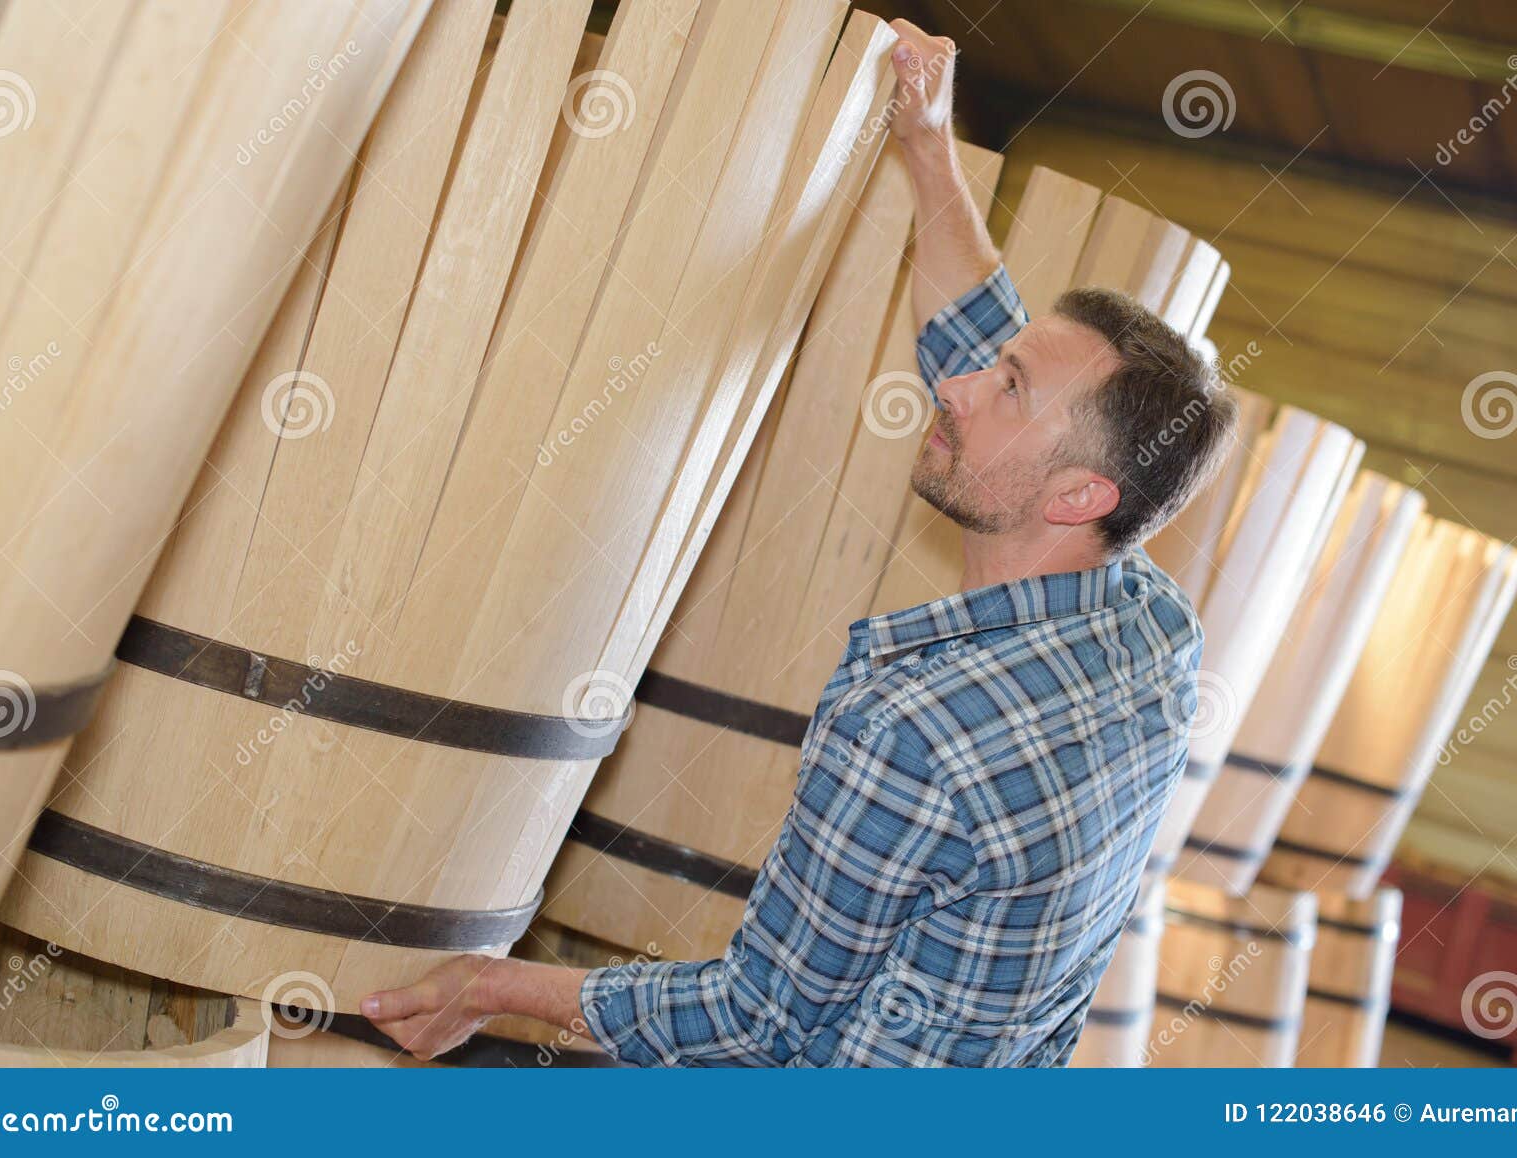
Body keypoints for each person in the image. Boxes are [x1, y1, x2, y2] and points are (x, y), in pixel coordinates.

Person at [360, 18, 1237, 1067]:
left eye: (1006, 388)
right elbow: (976, 335)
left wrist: (493, 983)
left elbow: (759, 1021)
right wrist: (927, 147)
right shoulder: (1150, 632)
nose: (954, 385)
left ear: (1078, 493)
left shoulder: (911, 729)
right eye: (993, 364)